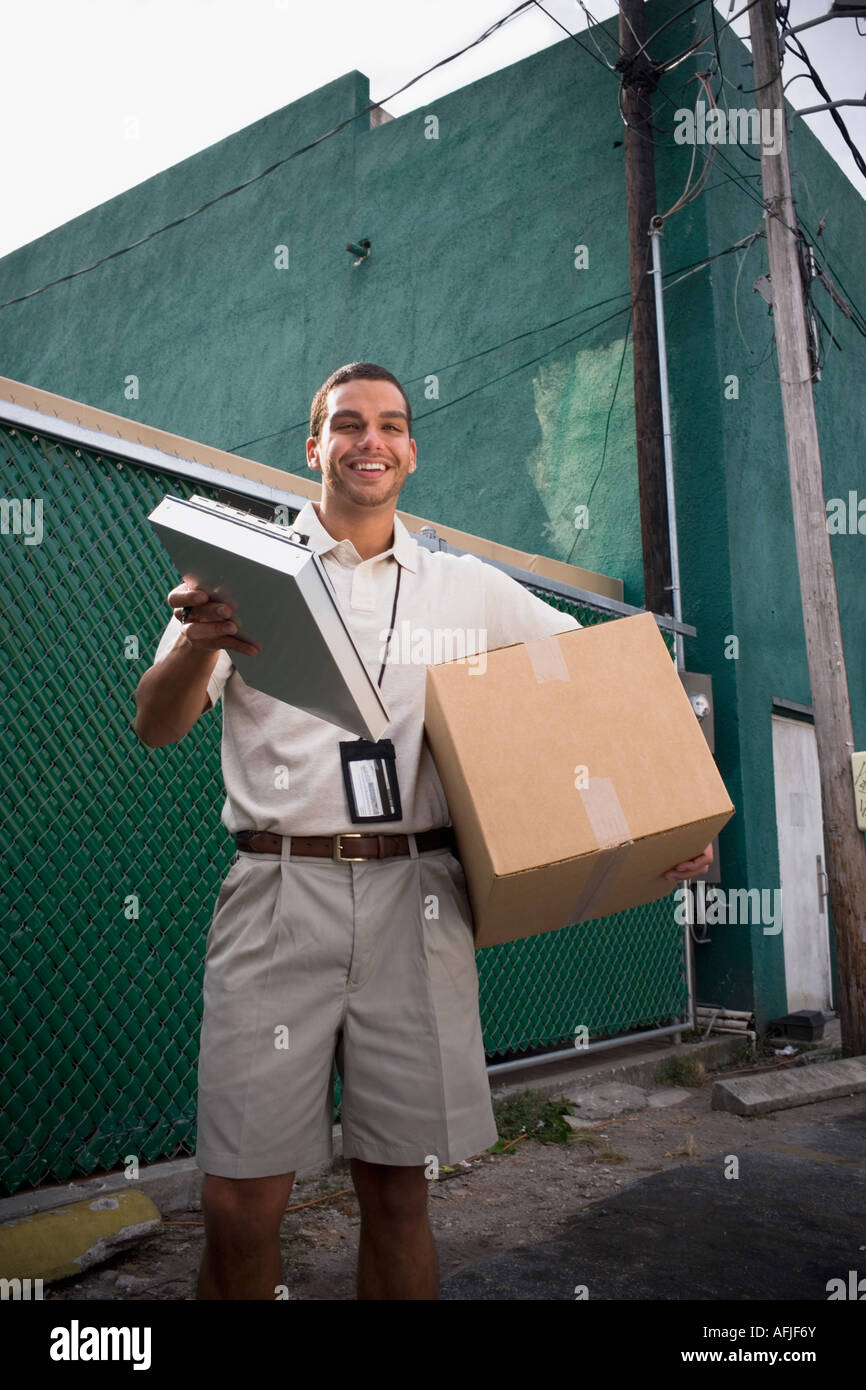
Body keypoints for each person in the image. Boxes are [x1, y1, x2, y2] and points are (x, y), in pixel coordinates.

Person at [134, 361, 713, 1301]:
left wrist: (674, 815)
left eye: (393, 424)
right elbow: (156, 726)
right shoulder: (236, 573)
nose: (373, 441)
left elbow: (608, 679)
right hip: (280, 892)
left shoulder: (467, 590)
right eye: (349, 423)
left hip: (420, 897)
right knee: (241, 1204)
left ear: (412, 448)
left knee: (401, 1192)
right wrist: (199, 640)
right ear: (313, 445)